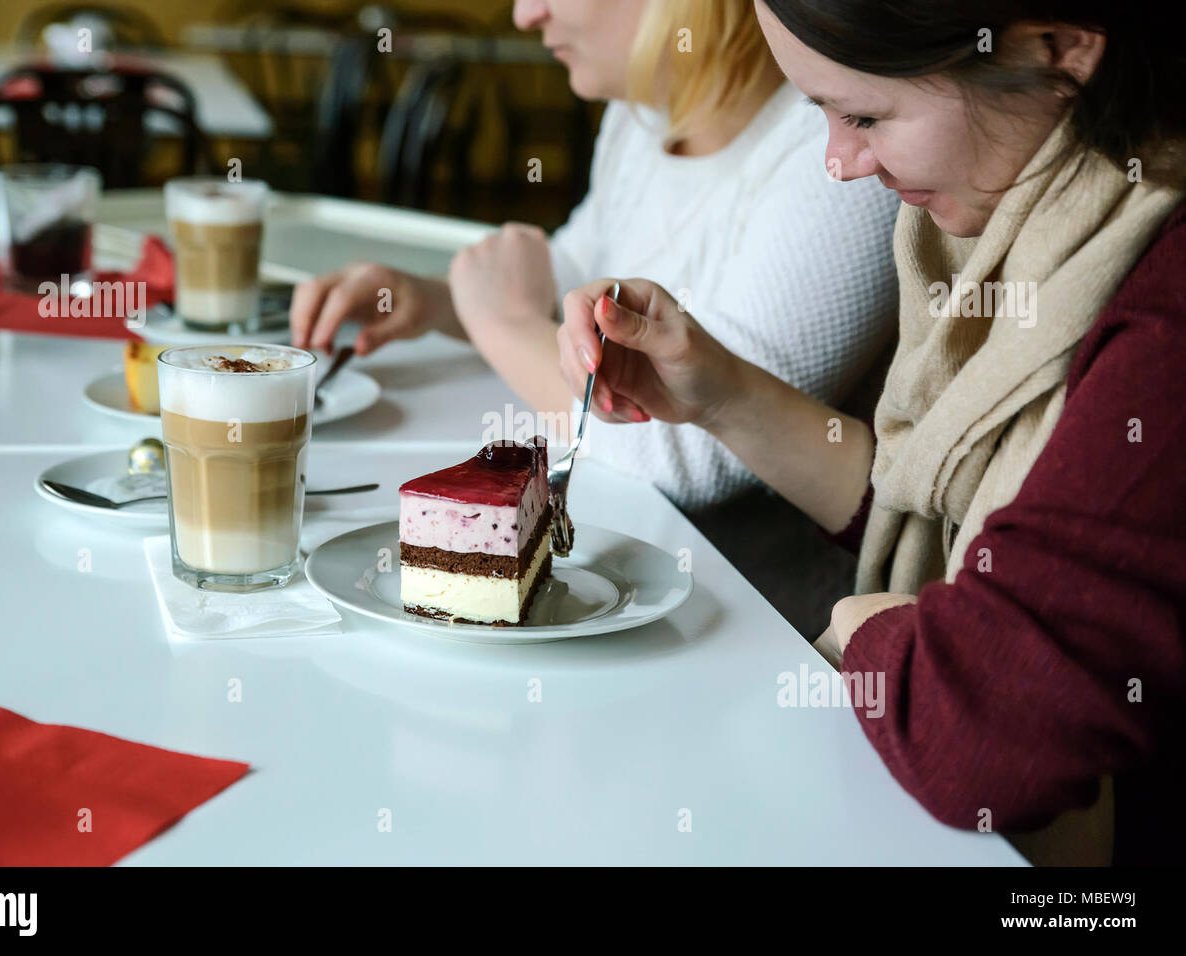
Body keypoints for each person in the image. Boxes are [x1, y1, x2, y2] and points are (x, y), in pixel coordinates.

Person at [557, 0, 1186, 866]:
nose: (838, 163)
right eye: (818, 111)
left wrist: (866, 627)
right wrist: (717, 390)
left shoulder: (1164, 305)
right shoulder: (1040, 221)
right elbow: (923, 499)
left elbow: (991, 736)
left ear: (1061, 50)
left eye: (864, 116)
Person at [291, 0, 899, 514]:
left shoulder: (844, 148)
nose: (525, 13)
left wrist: (501, 322)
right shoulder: (642, 119)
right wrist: (431, 301)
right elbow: (572, 287)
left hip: (768, 623)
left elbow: (682, 454)